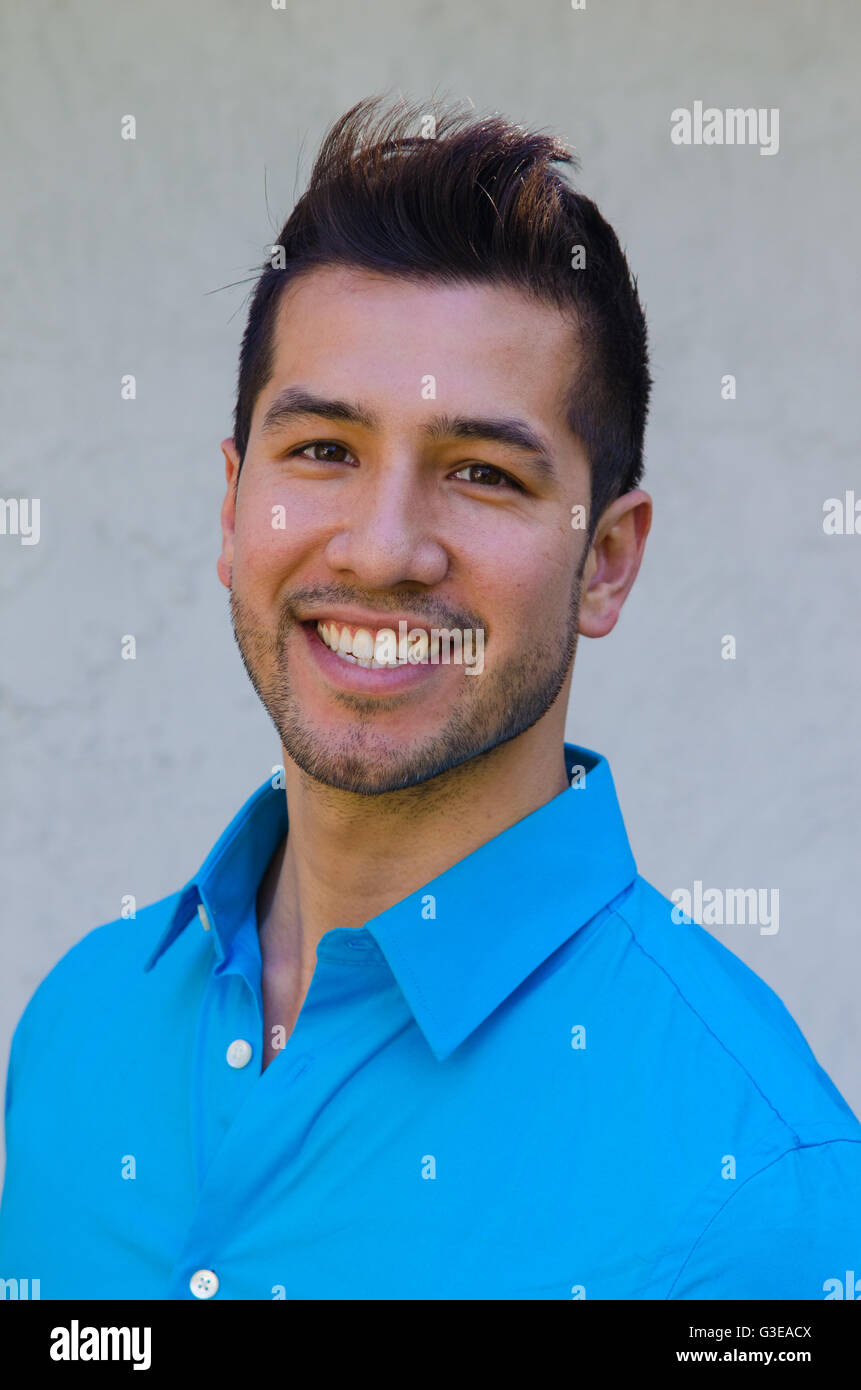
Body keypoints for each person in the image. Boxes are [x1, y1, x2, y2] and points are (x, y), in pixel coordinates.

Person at [1, 96, 859, 1301]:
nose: (382, 548)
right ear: (233, 504)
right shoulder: (77, 1028)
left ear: (605, 560)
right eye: (324, 451)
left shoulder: (761, 1187)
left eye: (481, 473)